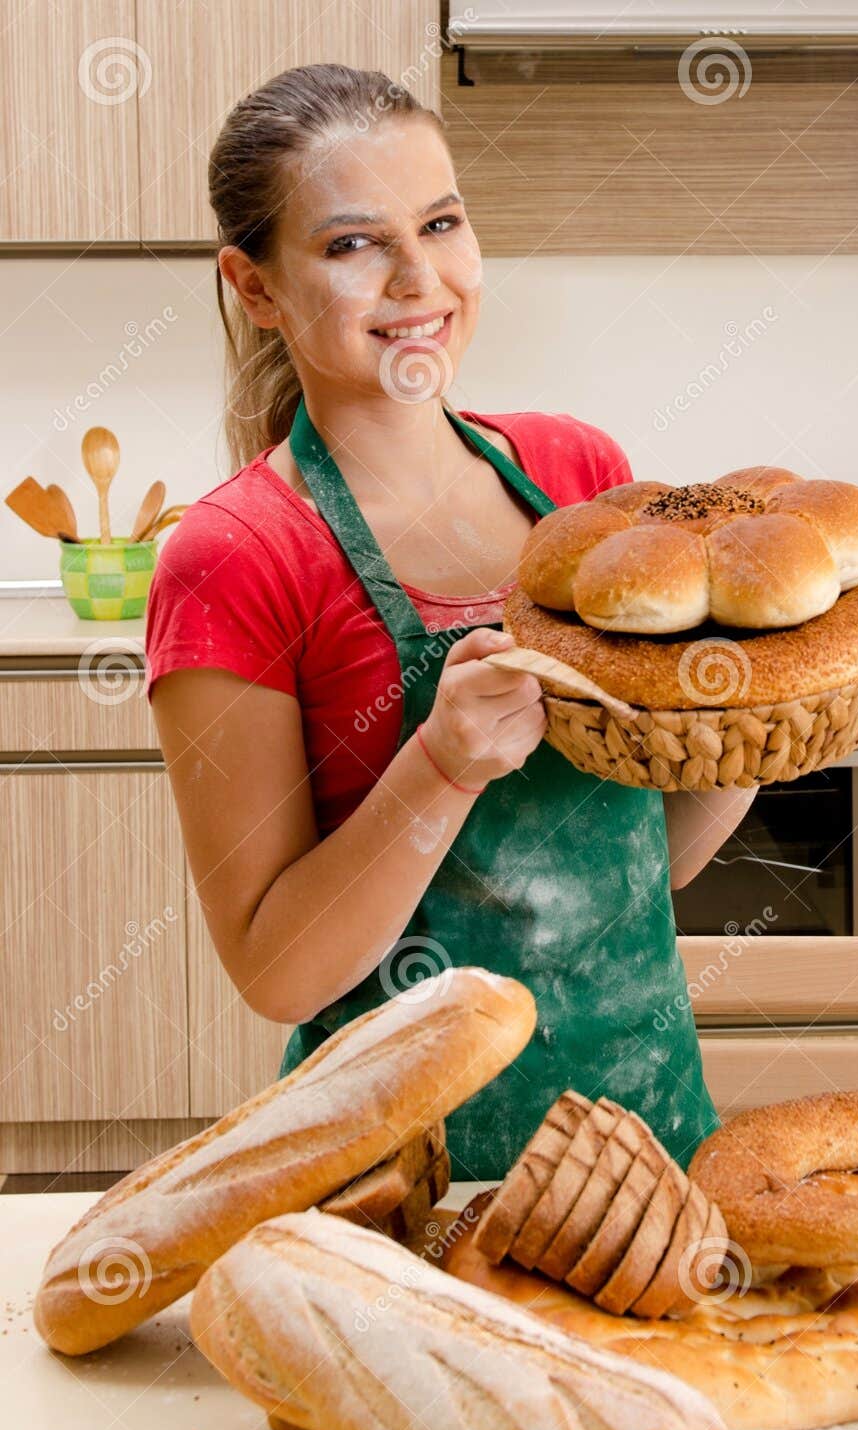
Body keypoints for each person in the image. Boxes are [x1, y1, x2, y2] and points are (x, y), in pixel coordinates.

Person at [145, 64, 758, 1179]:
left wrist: (755, 722)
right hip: (405, 1190)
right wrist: (440, 764)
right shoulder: (234, 558)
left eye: (440, 222)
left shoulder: (579, 477)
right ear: (256, 286)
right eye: (351, 245)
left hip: (652, 1159)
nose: (419, 279)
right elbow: (276, 972)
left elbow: (633, 873)